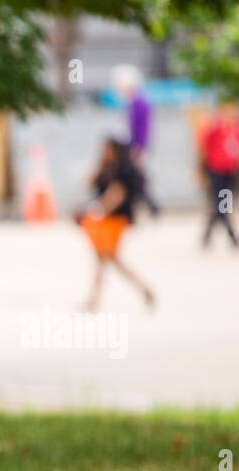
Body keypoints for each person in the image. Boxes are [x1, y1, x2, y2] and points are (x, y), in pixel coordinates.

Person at [77, 137, 154, 311]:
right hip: (105, 220)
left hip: (113, 221)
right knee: (106, 260)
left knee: (108, 259)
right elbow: (88, 184)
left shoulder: (123, 171)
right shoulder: (106, 168)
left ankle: (141, 289)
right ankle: (142, 289)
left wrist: (97, 210)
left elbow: (116, 195)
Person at [196, 100, 239, 250]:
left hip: (231, 170)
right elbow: (203, 151)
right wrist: (199, 171)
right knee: (222, 202)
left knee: (223, 203)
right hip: (216, 170)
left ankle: (208, 232)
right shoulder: (215, 129)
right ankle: (232, 236)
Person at [112, 64, 159, 217]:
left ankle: (150, 206)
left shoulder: (140, 104)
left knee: (135, 178)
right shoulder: (131, 103)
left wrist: (138, 147)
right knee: (136, 178)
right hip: (130, 146)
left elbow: (142, 129)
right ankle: (149, 206)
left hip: (135, 147)